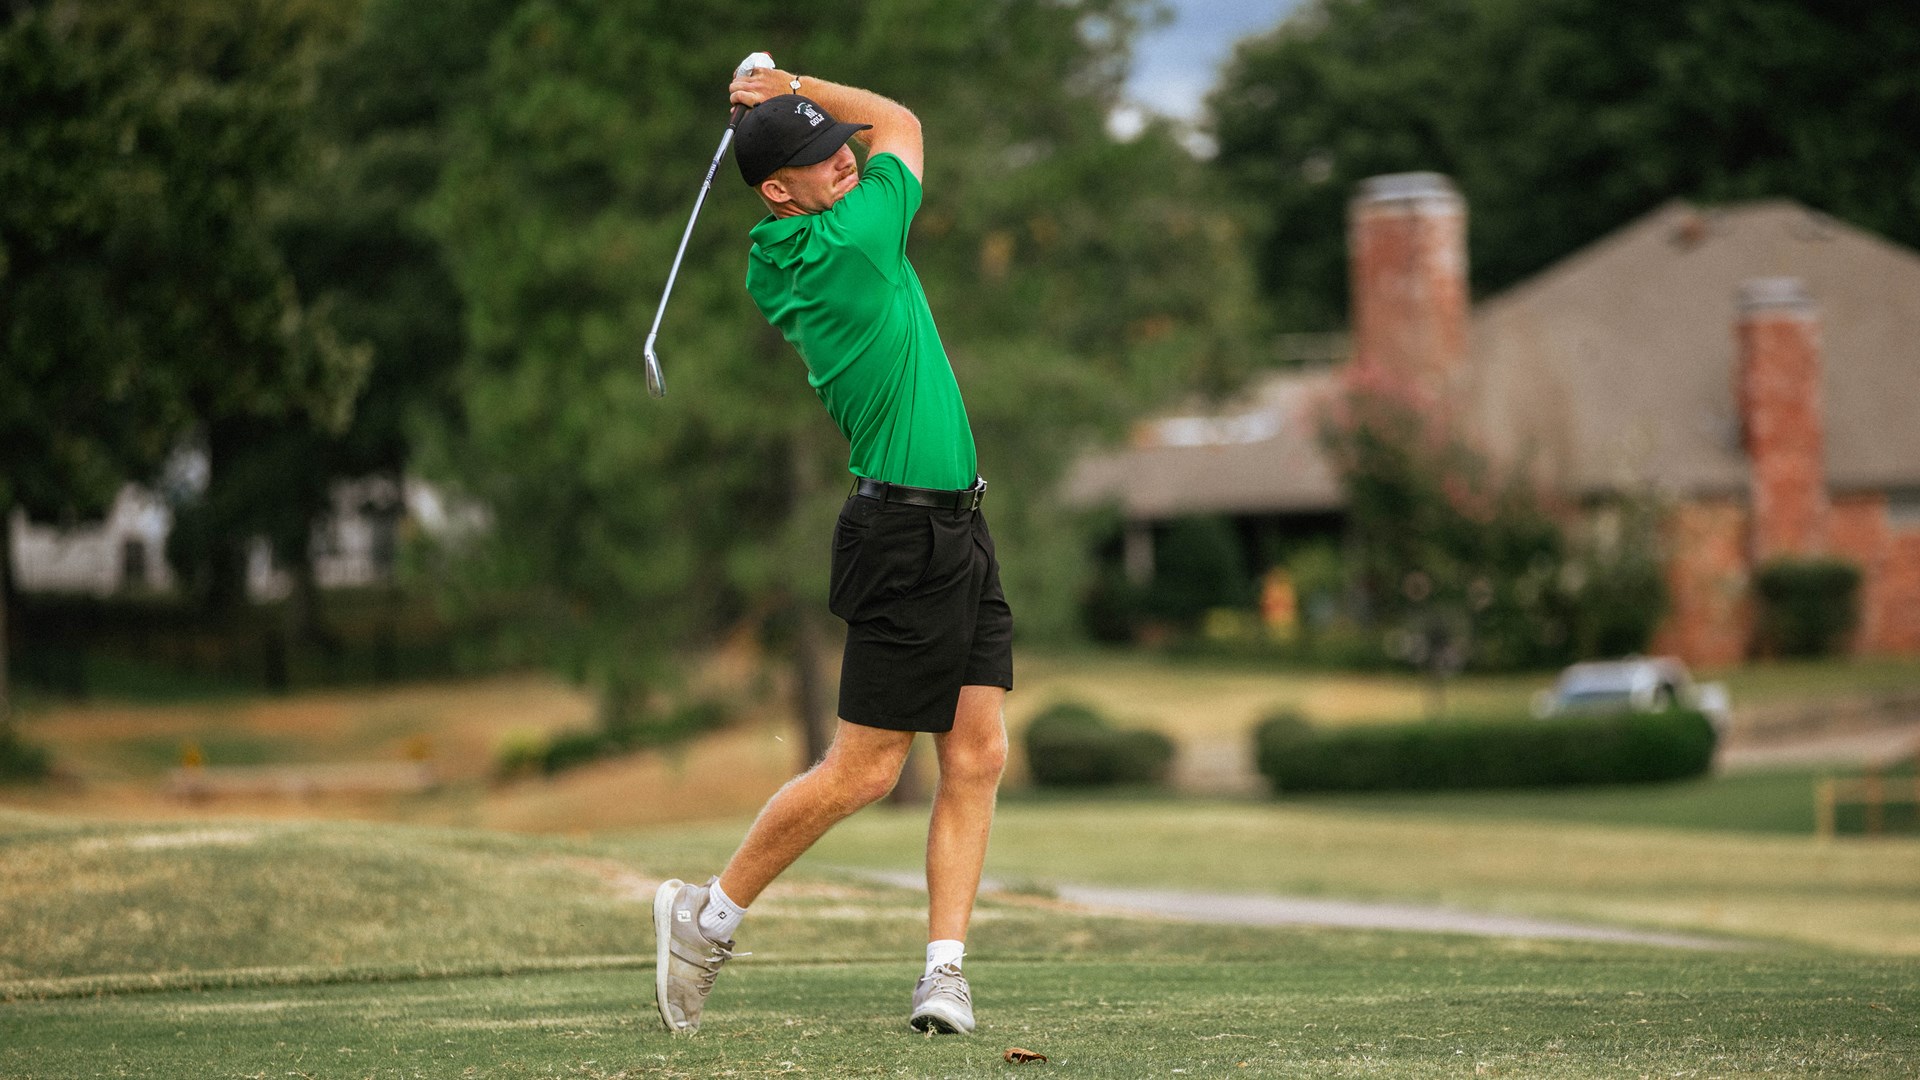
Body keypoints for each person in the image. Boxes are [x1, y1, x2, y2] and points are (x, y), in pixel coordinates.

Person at [652, 64, 1014, 1037]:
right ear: (780, 189)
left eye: (838, 144)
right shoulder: (856, 240)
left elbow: (870, 137)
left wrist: (778, 102)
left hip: (953, 525)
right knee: (865, 771)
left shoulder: (787, 245)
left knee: (975, 754)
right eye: (820, 156)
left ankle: (944, 974)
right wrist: (791, 80)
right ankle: (707, 919)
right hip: (904, 534)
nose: (847, 157)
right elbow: (901, 116)